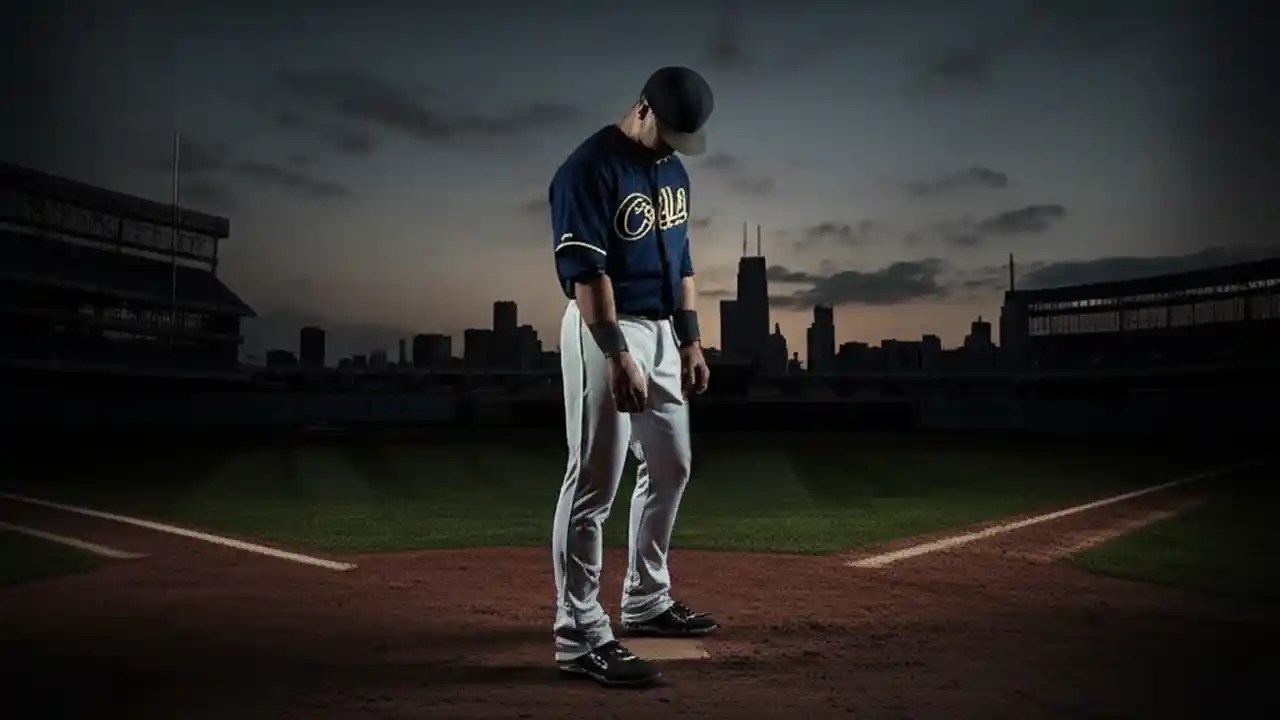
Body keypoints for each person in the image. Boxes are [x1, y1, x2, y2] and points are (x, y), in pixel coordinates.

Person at [546, 66, 717, 687]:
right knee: (594, 480)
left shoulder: (675, 171)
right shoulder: (587, 169)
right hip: (605, 329)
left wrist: (692, 338)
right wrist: (616, 353)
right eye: (668, 130)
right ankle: (579, 631)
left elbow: (686, 263)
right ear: (642, 107)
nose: (674, 144)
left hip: (666, 331)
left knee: (671, 464)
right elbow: (587, 274)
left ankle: (645, 598)